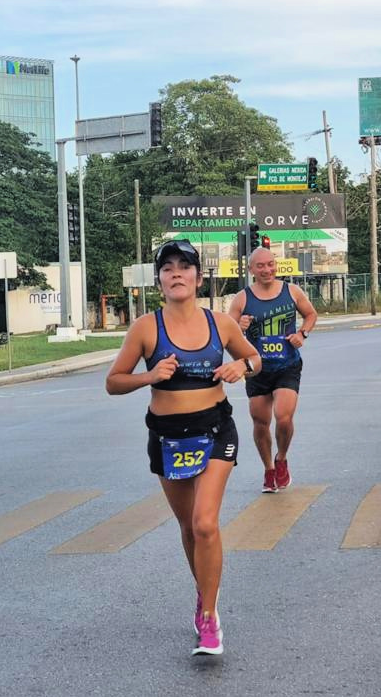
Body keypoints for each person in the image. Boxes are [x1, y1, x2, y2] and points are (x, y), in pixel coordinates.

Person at [106, 239, 259, 657]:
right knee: (189, 528)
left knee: (206, 522)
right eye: (168, 267)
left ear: (198, 277)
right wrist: (150, 376)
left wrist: (239, 367)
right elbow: (113, 381)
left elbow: (254, 359)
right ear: (159, 281)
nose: (177, 273)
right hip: (167, 436)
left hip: (215, 430)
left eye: (185, 267)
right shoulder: (145, 328)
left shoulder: (220, 324)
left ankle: (209, 618)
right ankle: (203, 594)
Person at [228, 247, 317, 494]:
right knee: (260, 421)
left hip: (287, 365)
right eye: (260, 266)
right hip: (256, 368)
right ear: (251, 270)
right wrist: (239, 325)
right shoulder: (242, 298)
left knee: (284, 416)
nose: (267, 270)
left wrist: (302, 333)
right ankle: (268, 469)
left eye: (270, 264)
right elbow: (226, 330)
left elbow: (310, 314)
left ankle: (282, 458)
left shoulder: (292, 291)